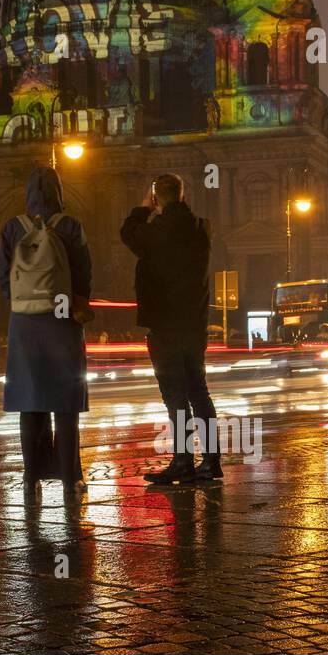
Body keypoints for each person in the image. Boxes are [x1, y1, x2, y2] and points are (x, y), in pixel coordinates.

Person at [0, 166, 92, 499]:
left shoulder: (12, 227)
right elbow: (83, 275)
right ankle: (70, 480)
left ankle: (30, 479)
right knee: (65, 404)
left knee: (30, 403)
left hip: (24, 325)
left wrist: (24, 304)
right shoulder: (69, 226)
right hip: (62, 321)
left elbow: (1, 278)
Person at [120, 173, 221, 483]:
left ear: (156, 198)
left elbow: (127, 233)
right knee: (198, 391)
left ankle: (182, 461)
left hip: (165, 324)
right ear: (183, 195)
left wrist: (142, 208)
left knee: (175, 396)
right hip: (194, 324)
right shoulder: (201, 229)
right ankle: (211, 462)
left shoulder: (154, 233)